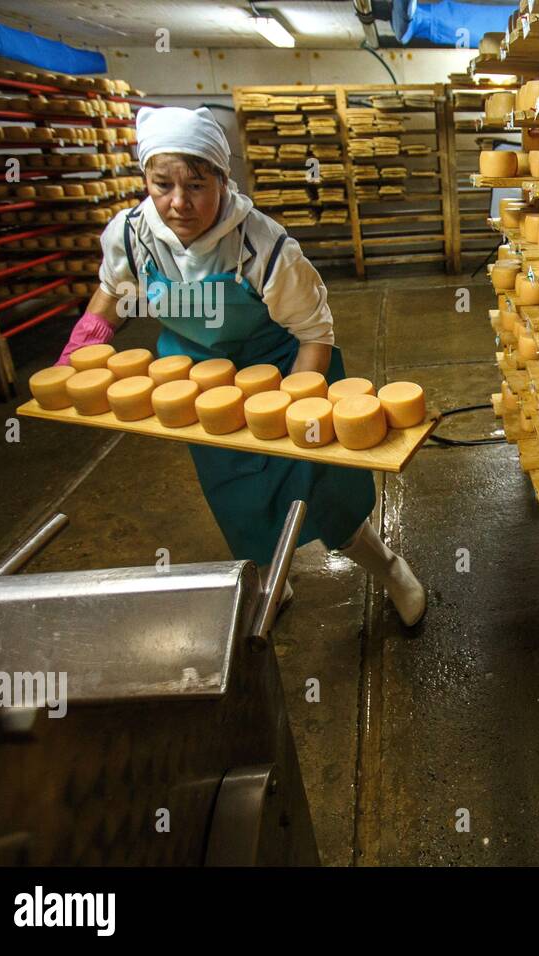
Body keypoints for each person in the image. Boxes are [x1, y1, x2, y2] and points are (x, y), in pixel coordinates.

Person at [55, 106, 426, 626]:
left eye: (196, 186)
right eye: (162, 185)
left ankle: (390, 570)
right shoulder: (132, 235)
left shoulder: (261, 244)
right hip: (195, 384)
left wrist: (293, 411)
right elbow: (115, 291)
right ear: (145, 179)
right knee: (240, 502)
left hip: (286, 369)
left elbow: (314, 332)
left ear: (223, 180)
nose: (178, 203)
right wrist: (83, 346)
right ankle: (272, 580)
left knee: (319, 490)